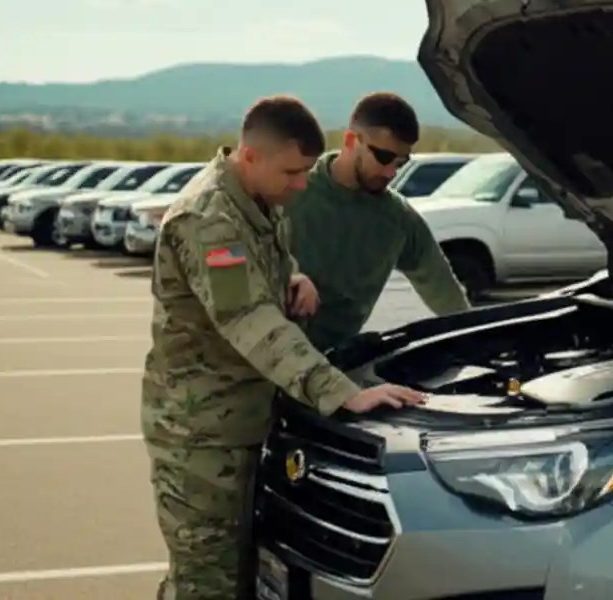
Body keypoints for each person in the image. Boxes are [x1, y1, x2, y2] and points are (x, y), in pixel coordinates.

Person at [140, 94, 426, 600]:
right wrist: (341, 391)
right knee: (207, 582)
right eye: (292, 172)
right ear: (251, 156)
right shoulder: (208, 219)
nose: (300, 185)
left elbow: (262, 267)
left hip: (248, 420)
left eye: (305, 172)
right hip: (202, 437)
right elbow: (247, 317)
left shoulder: (257, 203)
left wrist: (293, 274)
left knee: (245, 575)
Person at [284, 91, 471, 352]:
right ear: (351, 140)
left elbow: (444, 293)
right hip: (265, 360)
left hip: (337, 364)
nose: (391, 172)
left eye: (401, 162)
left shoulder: (398, 219)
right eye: (383, 157)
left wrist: (474, 340)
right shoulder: (289, 192)